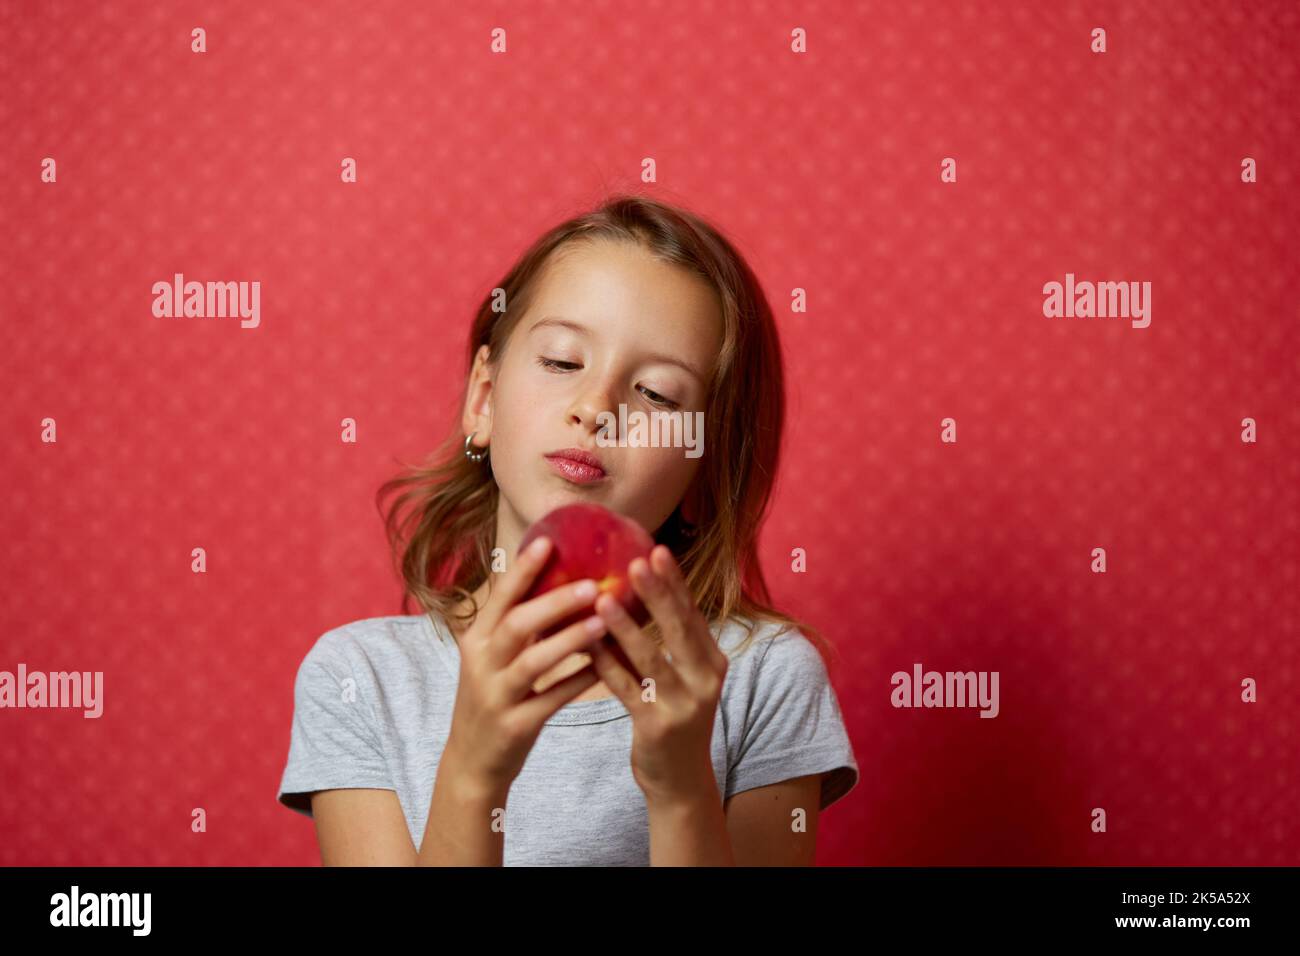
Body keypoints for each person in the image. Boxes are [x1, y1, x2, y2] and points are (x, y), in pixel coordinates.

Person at [276, 194, 858, 865]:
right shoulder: (361, 679)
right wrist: (473, 769)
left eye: (658, 394)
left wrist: (680, 792)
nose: (595, 408)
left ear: (707, 465)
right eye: (561, 361)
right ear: (483, 400)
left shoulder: (762, 677)